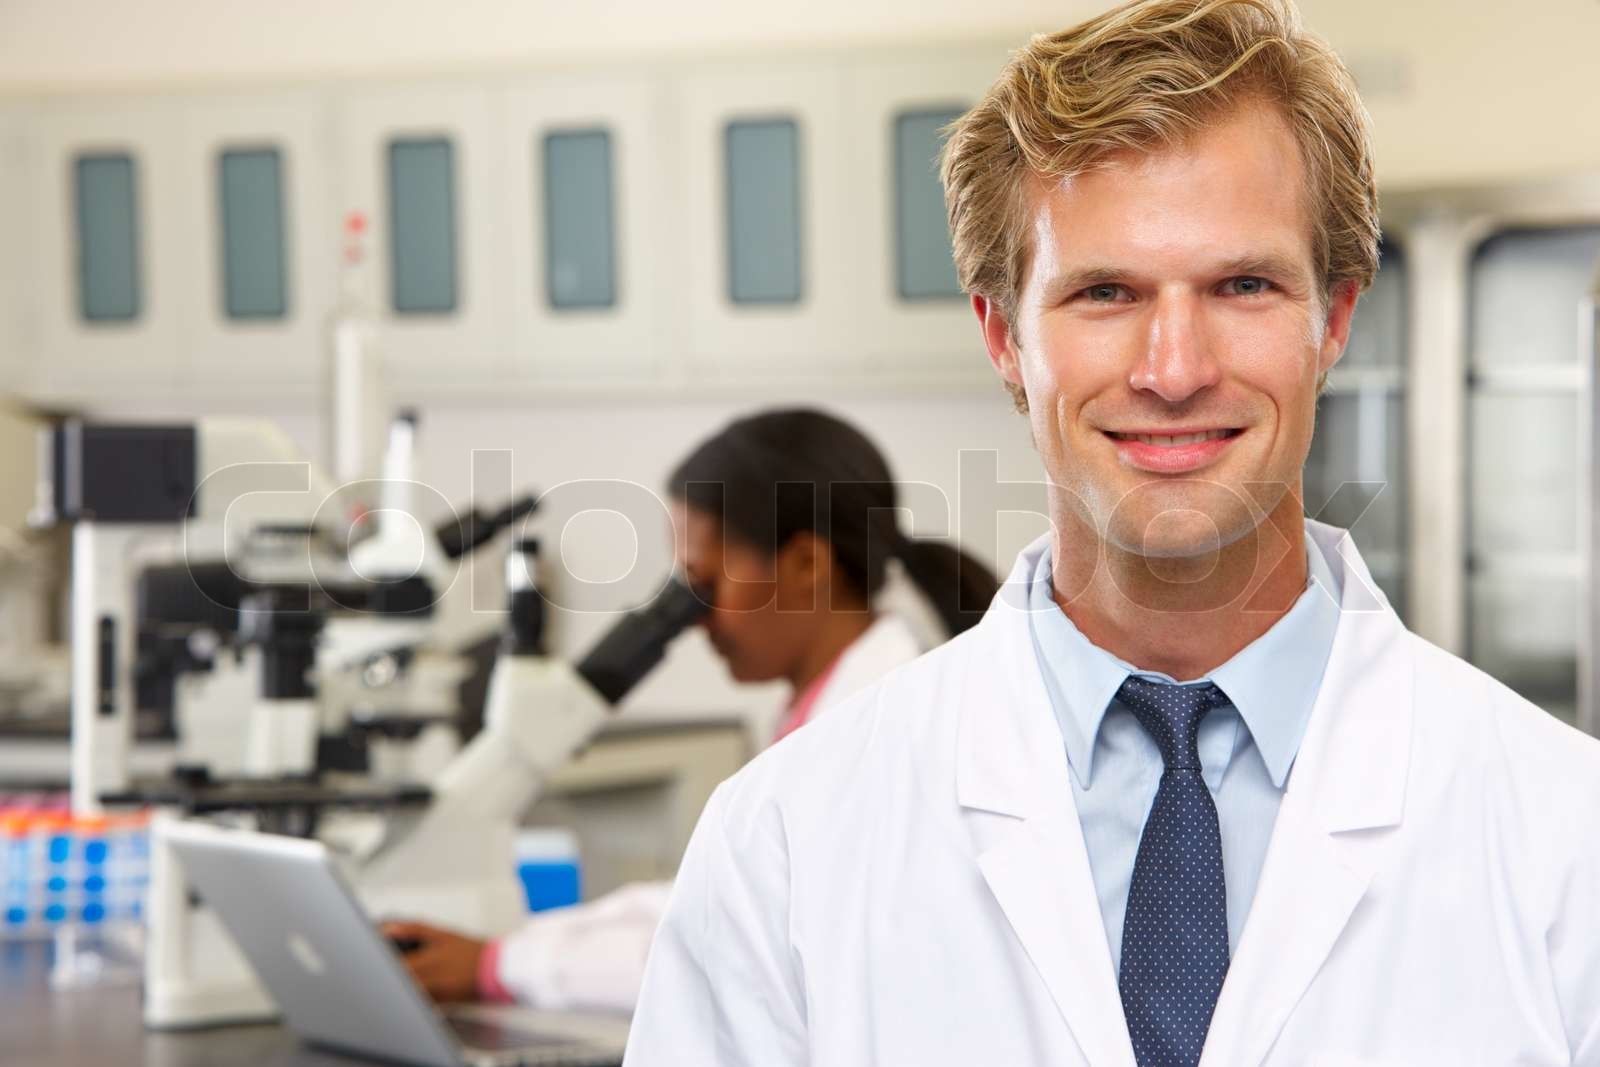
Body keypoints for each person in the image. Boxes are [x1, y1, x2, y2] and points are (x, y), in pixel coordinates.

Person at [623, 2, 1600, 1065]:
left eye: (1243, 284)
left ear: (1332, 319)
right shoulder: (784, 841)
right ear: (1002, 334)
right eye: (1103, 292)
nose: (1174, 370)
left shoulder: (1565, 835)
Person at [382, 408, 1000, 1010]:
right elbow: (705, 903)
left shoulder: (875, 729)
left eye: (705, 584)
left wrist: (497, 967)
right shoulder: (835, 706)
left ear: (806, 563)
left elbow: (734, 950)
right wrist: (509, 950)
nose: (695, 620)